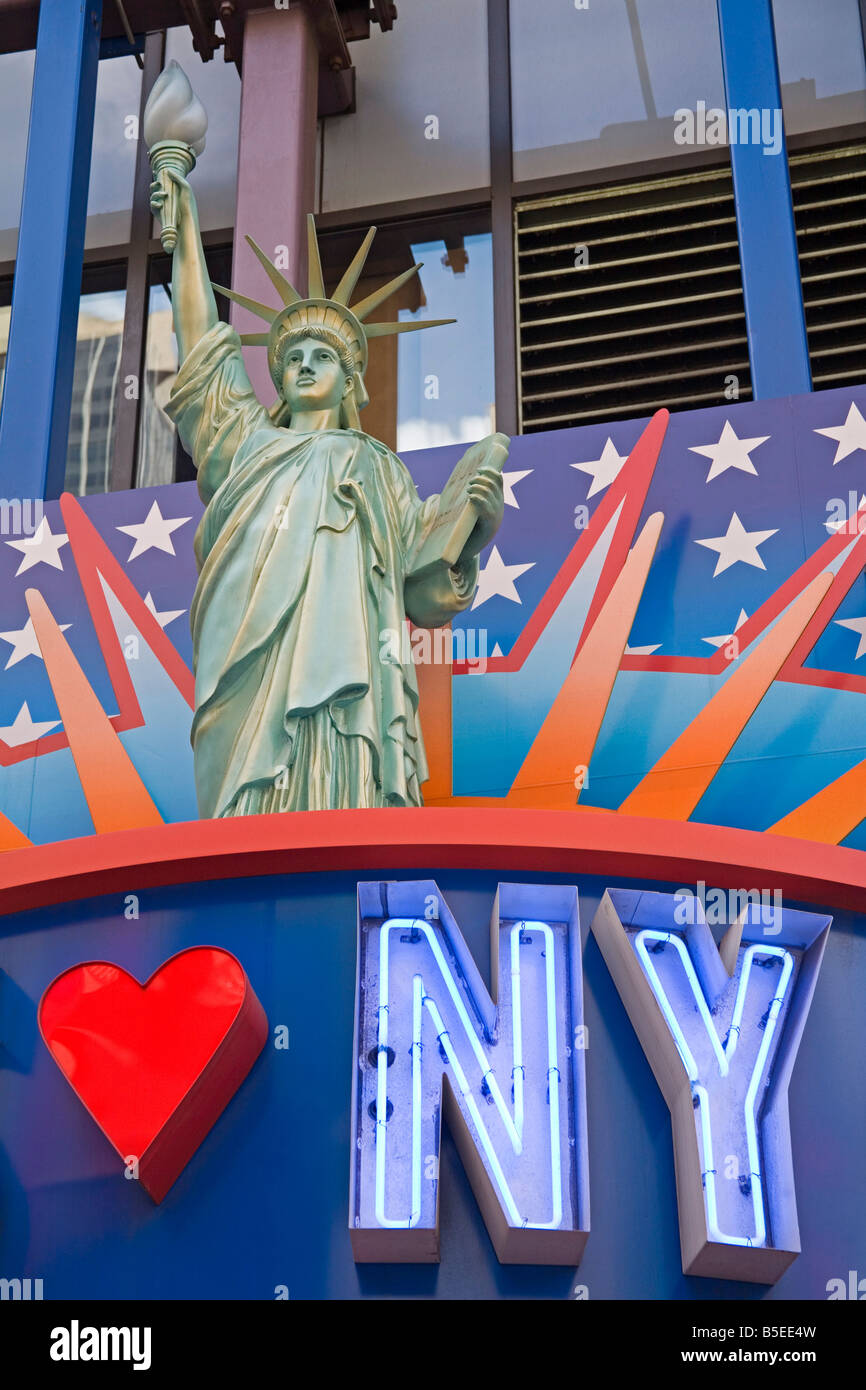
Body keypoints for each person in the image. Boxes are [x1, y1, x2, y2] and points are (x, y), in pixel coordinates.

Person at [151, 169, 505, 816]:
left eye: (323, 357)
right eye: (293, 359)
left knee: (342, 799)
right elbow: (201, 342)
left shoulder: (379, 469)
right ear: (280, 380)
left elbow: (425, 592)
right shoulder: (246, 444)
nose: (306, 366)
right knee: (243, 813)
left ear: (349, 382)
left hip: (352, 680)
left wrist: (473, 521)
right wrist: (186, 236)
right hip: (247, 659)